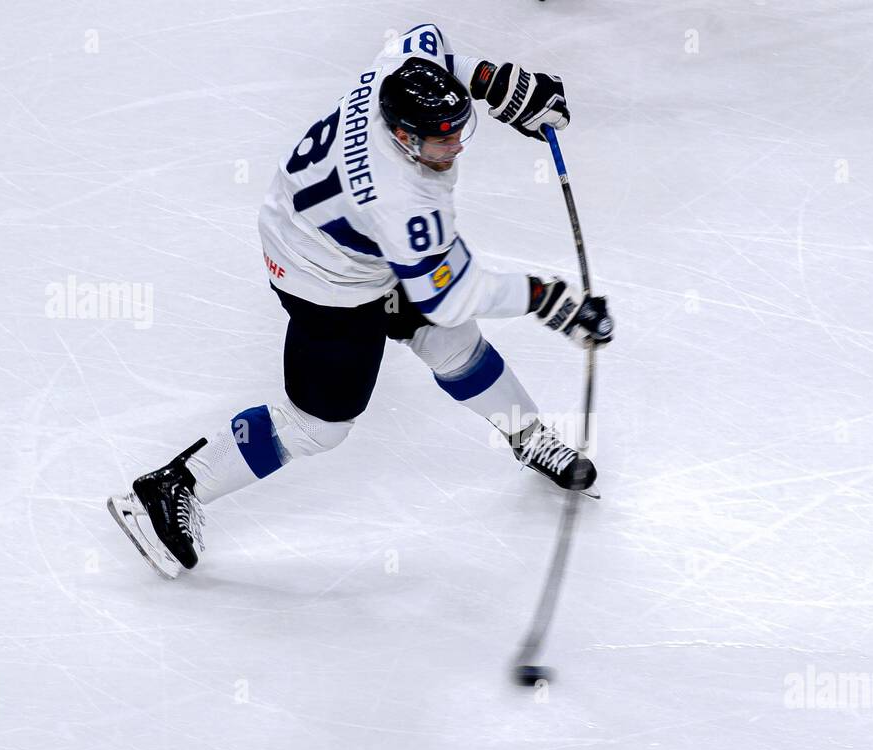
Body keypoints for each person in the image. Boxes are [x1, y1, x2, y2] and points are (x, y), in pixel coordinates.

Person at [108, 23, 613, 579]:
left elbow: (427, 40)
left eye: (458, 130)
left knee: (455, 345)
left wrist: (496, 82)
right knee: (318, 425)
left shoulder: (393, 72)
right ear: (402, 137)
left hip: (329, 230)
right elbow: (453, 293)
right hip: (322, 279)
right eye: (439, 138)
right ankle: (169, 489)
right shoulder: (403, 200)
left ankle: (527, 436)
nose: (455, 145)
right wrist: (553, 303)